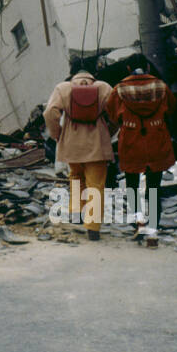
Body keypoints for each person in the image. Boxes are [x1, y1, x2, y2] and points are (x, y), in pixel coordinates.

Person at [106, 57, 176, 248]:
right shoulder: (160, 86)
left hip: (130, 140)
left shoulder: (118, 89)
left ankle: (139, 223)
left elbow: (112, 114)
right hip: (156, 139)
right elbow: (172, 108)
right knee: (154, 188)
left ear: (128, 68)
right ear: (147, 67)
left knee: (132, 187)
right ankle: (152, 233)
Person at [44, 69, 114, 241]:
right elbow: (116, 112)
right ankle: (93, 227)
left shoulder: (63, 88)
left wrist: (57, 134)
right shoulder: (103, 88)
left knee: (75, 177)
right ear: (91, 77)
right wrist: (110, 132)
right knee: (96, 184)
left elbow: (50, 112)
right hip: (97, 143)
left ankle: (76, 214)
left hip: (71, 142)